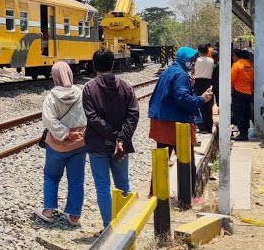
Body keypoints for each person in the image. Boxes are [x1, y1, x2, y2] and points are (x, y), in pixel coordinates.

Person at [83, 49, 140, 230]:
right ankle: (125, 225)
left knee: (102, 186)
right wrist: (121, 138)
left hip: (97, 144)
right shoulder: (126, 87)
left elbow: (92, 118)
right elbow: (133, 115)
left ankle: (109, 226)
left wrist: (111, 135)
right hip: (120, 146)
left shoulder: (89, 88)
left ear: (94, 64)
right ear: (113, 64)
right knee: (123, 183)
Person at [36, 61, 87, 227]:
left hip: (57, 144)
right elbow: (88, 115)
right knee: (77, 179)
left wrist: (65, 134)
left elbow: (48, 120)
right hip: (79, 143)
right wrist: (75, 133)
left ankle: (48, 211)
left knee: (51, 176)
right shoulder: (81, 93)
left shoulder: (51, 98)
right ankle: (74, 216)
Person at [148, 47, 213, 156]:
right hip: (175, 123)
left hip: (162, 119)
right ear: (185, 60)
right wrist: (202, 99)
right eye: (192, 60)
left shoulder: (170, 70)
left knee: (162, 160)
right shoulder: (181, 75)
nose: (194, 63)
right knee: (186, 163)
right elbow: (183, 98)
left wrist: (189, 85)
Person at [230, 49, 255, 140]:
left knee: (239, 113)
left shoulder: (237, 65)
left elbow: (231, 78)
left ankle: (243, 134)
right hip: (248, 92)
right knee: (246, 113)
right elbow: (252, 80)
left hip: (239, 92)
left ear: (236, 56)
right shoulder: (250, 65)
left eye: (233, 56)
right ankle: (245, 132)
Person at [191, 44, 215, 133]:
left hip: (198, 82)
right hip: (208, 83)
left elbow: (193, 70)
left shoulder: (196, 60)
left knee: (199, 104)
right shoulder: (211, 60)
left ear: (199, 51)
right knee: (208, 105)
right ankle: (209, 127)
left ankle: (202, 127)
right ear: (208, 51)